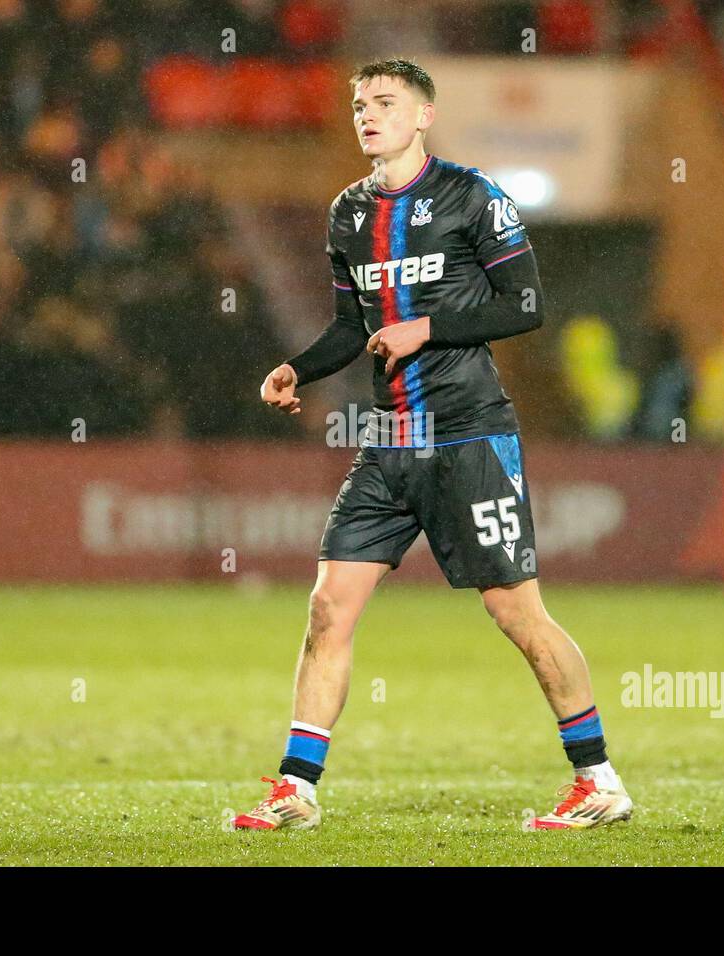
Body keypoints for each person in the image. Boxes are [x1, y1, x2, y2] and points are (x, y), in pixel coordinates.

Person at [237, 58, 632, 831]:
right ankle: (297, 788)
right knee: (328, 608)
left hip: (469, 435)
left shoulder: (473, 197)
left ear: (424, 116)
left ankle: (599, 779)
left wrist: (429, 327)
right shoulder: (348, 213)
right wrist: (297, 369)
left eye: (385, 102)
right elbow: (352, 328)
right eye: (359, 104)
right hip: (388, 445)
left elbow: (525, 306)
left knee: (516, 612)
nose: (367, 115)